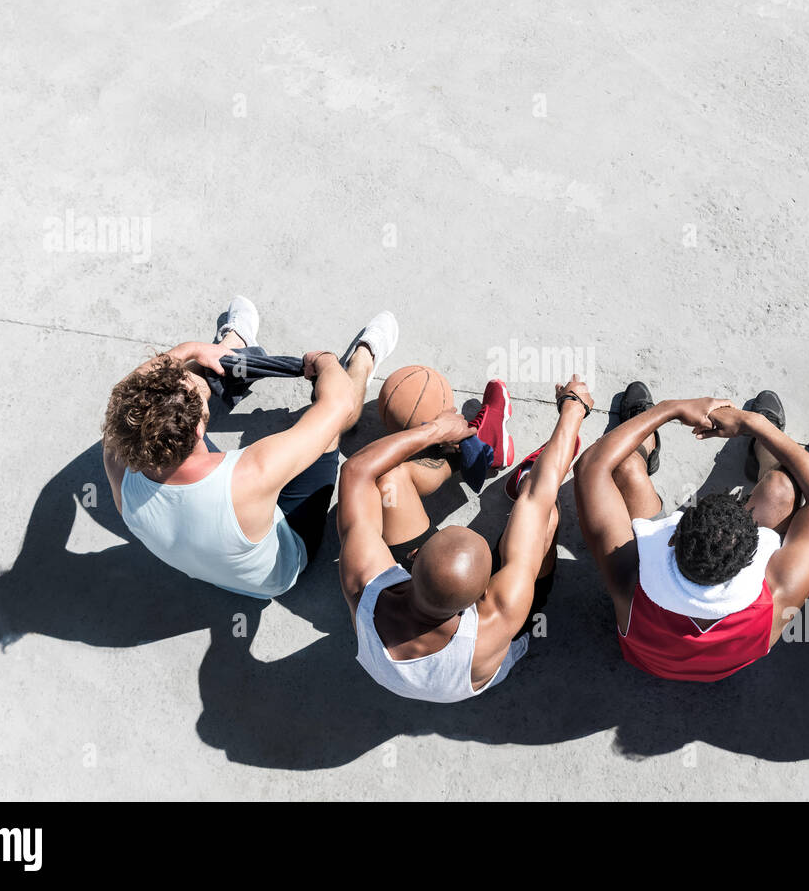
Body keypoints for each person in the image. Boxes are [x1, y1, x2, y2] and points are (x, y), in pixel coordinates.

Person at [102, 297, 398, 598]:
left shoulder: (117, 458)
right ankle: (363, 361)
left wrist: (192, 350)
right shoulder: (249, 474)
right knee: (330, 426)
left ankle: (236, 345)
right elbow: (339, 403)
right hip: (282, 568)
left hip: (220, 569)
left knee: (176, 386)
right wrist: (326, 362)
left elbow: (128, 393)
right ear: (199, 428)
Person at [336, 376, 589, 702]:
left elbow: (356, 471)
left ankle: (480, 452)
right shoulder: (496, 618)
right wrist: (574, 409)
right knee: (545, 517)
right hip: (483, 662)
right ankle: (523, 473)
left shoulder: (363, 585)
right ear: (485, 592)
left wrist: (436, 430)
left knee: (389, 480)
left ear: (414, 562)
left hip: (409, 637)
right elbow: (537, 502)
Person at [573, 382, 809, 682]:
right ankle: (763, 446)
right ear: (751, 556)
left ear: (674, 535)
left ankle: (644, 441)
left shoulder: (629, 579)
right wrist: (757, 425)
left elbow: (591, 466)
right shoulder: (779, 592)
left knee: (623, 467)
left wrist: (669, 409)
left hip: (647, 660)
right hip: (718, 671)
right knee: (782, 488)